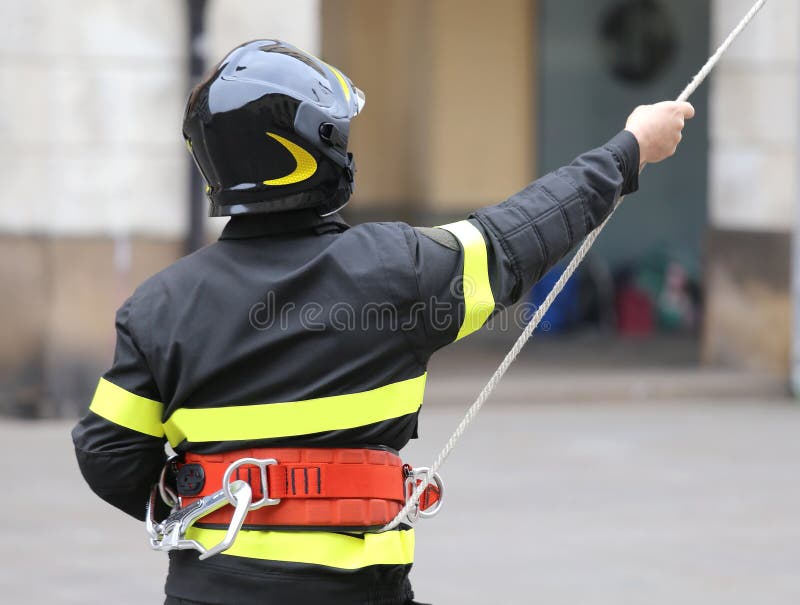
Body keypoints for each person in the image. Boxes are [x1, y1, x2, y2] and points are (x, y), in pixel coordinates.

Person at [72, 40, 693, 605]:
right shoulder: (397, 269)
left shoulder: (158, 305)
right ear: (316, 148)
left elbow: (107, 452)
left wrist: (200, 500)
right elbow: (517, 237)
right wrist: (629, 149)